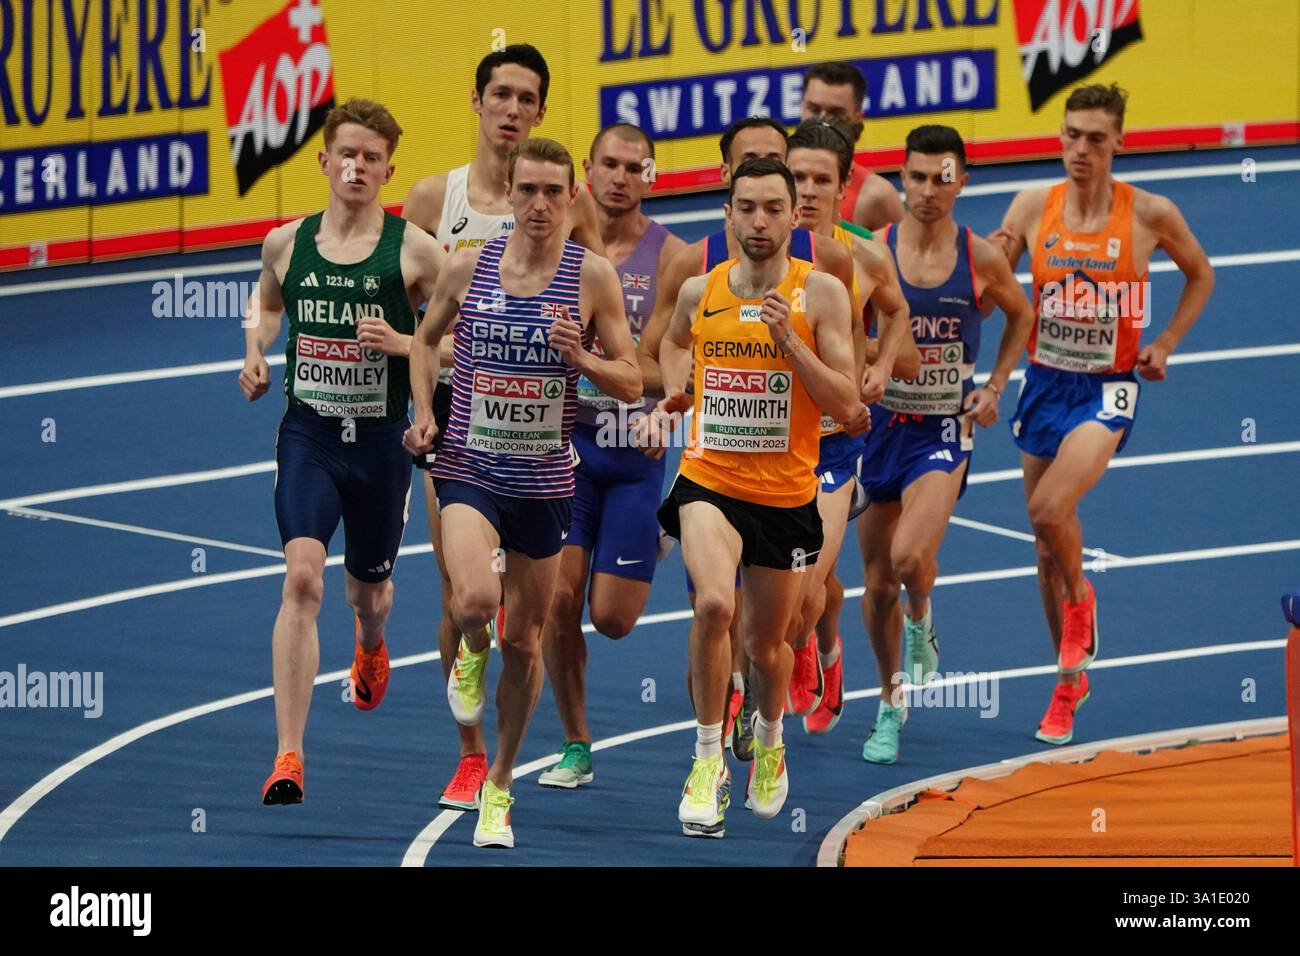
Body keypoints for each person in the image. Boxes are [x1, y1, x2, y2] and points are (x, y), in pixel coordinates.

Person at [404, 138, 641, 848]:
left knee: (527, 639)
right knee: (475, 600)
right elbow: (423, 341)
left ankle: (500, 784)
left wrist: (582, 359)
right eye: (527, 190)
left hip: (544, 482)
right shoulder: (468, 267)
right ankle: (469, 647)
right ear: (508, 197)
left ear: (573, 198)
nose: (539, 204)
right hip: (469, 467)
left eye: (552, 192)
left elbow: (633, 380)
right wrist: (423, 413)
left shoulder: (593, 278)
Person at [989, 84, 1213, 744]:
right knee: (1041, 551)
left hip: (1109, 388)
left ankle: (1082, 602)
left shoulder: (1149, 213)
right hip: (1044, 384)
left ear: (1119, 142)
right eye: (1070, 135)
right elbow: (995, 285)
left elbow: (1201, 273)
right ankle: (1068, 683)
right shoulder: (1034, 205)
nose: (1079, 148)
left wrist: (1166, 341)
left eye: (1094, 137)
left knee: (1048, 511)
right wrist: (993, 259)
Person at [637, 115, 864, 762]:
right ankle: (708, 756)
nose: (759, 219)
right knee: (713, 607)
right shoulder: (693, 273)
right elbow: (664, 349)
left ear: (795, 212)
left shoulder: (827, 276)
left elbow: (846, 398)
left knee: (775, 632)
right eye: (746, 204)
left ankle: (768, 725)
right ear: (727, 201)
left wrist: (794, 347)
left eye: (774, 205)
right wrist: (675, 396)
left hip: (795, 476)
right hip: (710, 474)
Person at [239, 98, 444, 805]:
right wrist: (255, 353)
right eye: (345, 155)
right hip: (311, 434)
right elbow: (267, 301)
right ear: (324, 161)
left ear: (389, 170)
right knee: (302, 579)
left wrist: (407, 346)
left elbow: (458, 335)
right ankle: (288, 755)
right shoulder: (284, 242)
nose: (357, 167)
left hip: (382, 446)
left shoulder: (415, 250)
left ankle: (371, 638)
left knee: (368, 591)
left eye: (372, 158)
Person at [857, 125, 1034, 762]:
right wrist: (866, 368)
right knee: (875, 584)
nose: (929, 191)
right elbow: (845, 326)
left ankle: (922, 616)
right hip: (879, 432)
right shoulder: (873, 250)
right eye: (917, 177)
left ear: (962, 181)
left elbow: (1022, 313)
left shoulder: (978, 256)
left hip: (942, 429)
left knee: (907, 561)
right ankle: (888, 701)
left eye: (943, 178)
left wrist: (993, 386)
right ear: (900, 179)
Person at [537, 123, 686, 788]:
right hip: (566, 450)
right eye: (609, 165)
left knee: (614, 620)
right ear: (587, 174)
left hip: (632, 456)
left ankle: (655, 533)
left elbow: (651, 367)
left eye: (634, 167)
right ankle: (576, 743)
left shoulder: (673, 258)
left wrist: (591, 359)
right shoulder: (551, 249)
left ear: (652, 176)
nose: (620, 178)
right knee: (556, 599)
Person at [781, 117, 913, 735]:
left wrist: (882, 366)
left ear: (842, 190)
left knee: (807, 586)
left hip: (835, 443)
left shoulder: (860, 254)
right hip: (769, 444)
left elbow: (898, 311)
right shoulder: (755, 246)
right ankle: (821, 654)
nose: (806, 191)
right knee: (809, 581)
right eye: (796, 177)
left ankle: (812, 647)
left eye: (819, 180)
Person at [800, 61, 903, 232]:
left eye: (835, 113)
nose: (821, 121)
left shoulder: (877, 196)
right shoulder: (775, 179)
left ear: (857, 119)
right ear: (802, 107)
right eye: (814, 109)